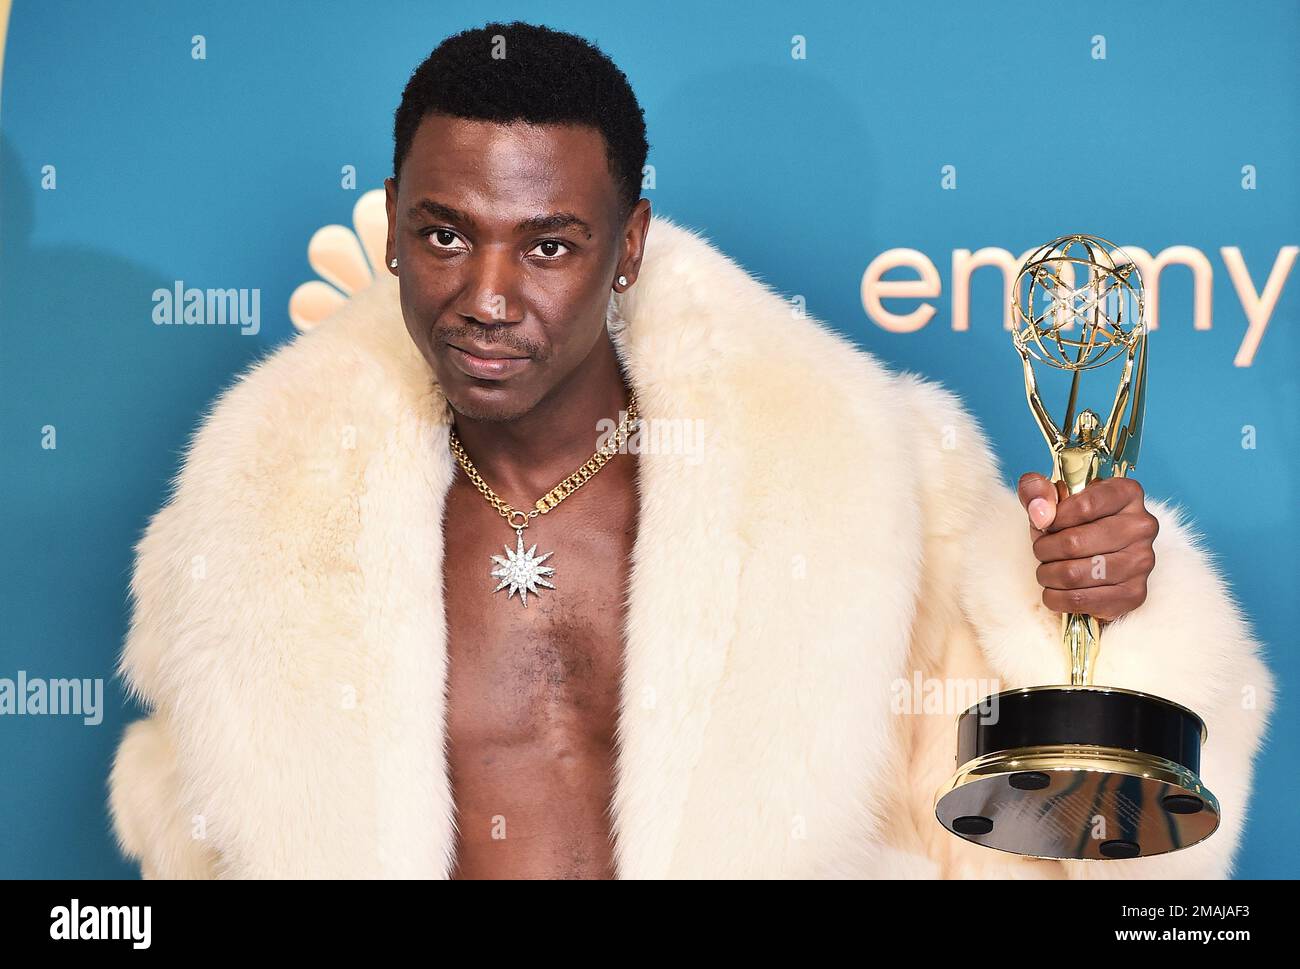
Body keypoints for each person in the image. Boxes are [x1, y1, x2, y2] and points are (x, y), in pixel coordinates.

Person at [108, 20, 1273, 879]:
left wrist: (1099, 611)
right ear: (397, 224)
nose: (487, 295)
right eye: (446, 235)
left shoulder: (856, 478)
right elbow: (196, 841)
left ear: (628, 248)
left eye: (550, 245)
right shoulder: (256, 520)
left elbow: (1038, 807)